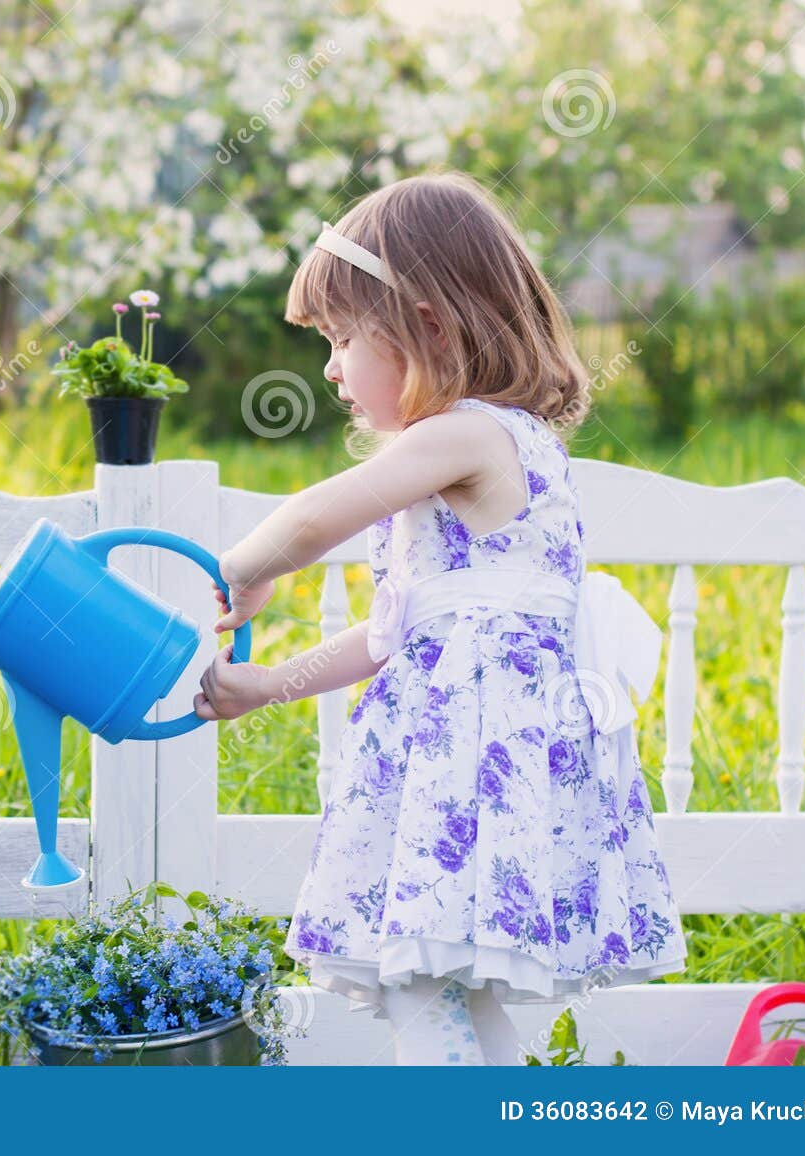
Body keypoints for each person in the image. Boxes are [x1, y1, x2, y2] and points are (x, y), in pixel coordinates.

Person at [191, 170, 688, 1065]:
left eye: (345, 337)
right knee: (437, 985)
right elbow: (394, 634)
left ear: (427, 325)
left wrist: (241, 571)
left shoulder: (469, 434)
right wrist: (268, 685)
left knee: (416, 985)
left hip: (473, 758)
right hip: (463, 757)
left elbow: (312, 518)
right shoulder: (493, 449)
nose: (333, 366)